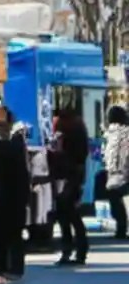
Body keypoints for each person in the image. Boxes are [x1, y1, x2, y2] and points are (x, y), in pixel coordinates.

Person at [0, 101, 31, 280]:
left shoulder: (6, 136)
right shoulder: (15, 136)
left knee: (3, 231)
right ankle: (10, 267)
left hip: (3, 189)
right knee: (10, 231)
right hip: (12, 190)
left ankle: (3, 266)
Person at [49, 109, 90, 265]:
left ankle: (72, 251)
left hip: (67, 181)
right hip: (72, 180)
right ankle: (77, 252)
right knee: (70, 217)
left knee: (68, 217)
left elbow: (61, 160)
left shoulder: (65, 141)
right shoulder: (78, 138)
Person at [101, 105, 129, 239]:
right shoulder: (123, 132)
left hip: (115, 172)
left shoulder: (110, 134)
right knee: (121, 201)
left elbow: (107, 153)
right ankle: (122, 228)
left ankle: (121, 228)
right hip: (122, 171)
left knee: (116, 202)